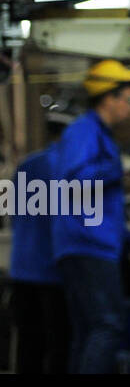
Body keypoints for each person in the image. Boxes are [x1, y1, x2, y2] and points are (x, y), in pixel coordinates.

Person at [49, 59, 130, 374]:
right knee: (107, 327)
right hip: (88, 245)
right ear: (109, 98)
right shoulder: (84, 131)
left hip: (89, 243)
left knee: (88, 333)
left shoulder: (99, 136)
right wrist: (121, 165)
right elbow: (75, 182)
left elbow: (104, 203)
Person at [7, 145, 69, 373]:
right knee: (58, 344)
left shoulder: (26, 166)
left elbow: (12, 213)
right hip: (53, 271)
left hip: (21, 268)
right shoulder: (70, 167)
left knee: (28, 343)